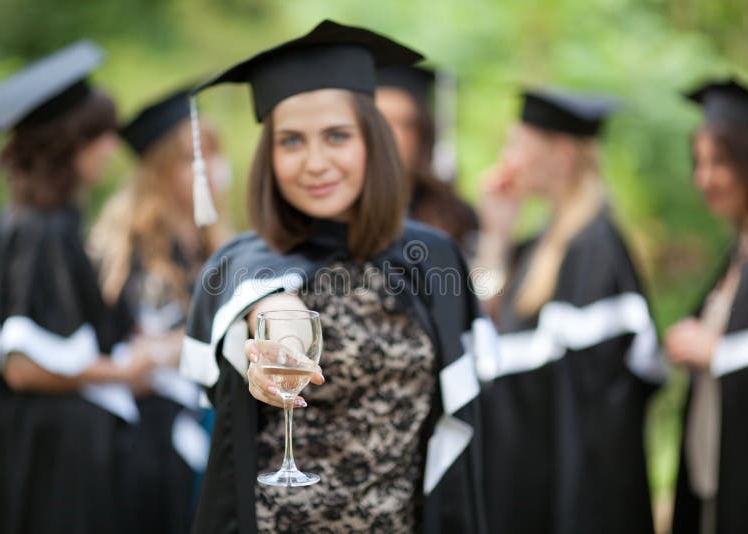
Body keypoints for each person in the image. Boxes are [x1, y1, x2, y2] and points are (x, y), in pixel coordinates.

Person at [180, 20, 490, 534]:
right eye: (292, 141)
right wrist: (279, 352)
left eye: (337, 136)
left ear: (372, 141)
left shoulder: (433, 257)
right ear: (269, 156)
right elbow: (278, 307)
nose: (315, 163)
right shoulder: (243, 260)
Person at [0, 41, 154, 534]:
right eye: (99, 135)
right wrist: (126, 374)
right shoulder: (36, 230)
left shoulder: (45, 221)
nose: (111, 147)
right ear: (69, 143)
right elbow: (23, 367)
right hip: (41, 461)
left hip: (41, 452)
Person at [475, 88, 665, 534]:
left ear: (560, 154)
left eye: (518, 144)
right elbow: (484, 309)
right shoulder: (544, 241)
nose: (508, 158)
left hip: (577, 495)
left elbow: (589, 406)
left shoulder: (595, 247)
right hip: (535, 475)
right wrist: (494, 235)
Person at [89, 87, 232, 534]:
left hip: (209, 421)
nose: (211, 170)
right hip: (144, 438)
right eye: (195, 158)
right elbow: (140, 349)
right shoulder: (125, 247)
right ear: (161, 168)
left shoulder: (215, 243)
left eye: (213, 155)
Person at [667, 78, 748, 534]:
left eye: (720, 162)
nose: (704, 179)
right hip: (713, 470)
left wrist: (717, 352)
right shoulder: (737, 251)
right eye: (699, 163)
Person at [376, 65, 479, 253]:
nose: (392, 136)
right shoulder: (336, 210)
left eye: (405, 124)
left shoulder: (455, 215)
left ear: (423, 134)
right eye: (381, 122)